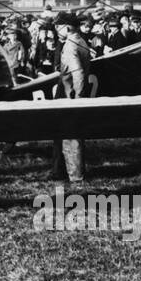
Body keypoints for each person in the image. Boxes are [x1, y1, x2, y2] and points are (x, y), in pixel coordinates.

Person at [51, 12, 91, 185]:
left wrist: (78, 97)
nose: (56, 29)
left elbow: (78, 73)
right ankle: (71, 171)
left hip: (68, 95)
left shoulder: (69, 45)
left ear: (67, 27)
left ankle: (75, 176)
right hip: (72, 94)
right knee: (74, 135)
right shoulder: (81, 41)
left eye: (58, 26)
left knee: (69, 137)